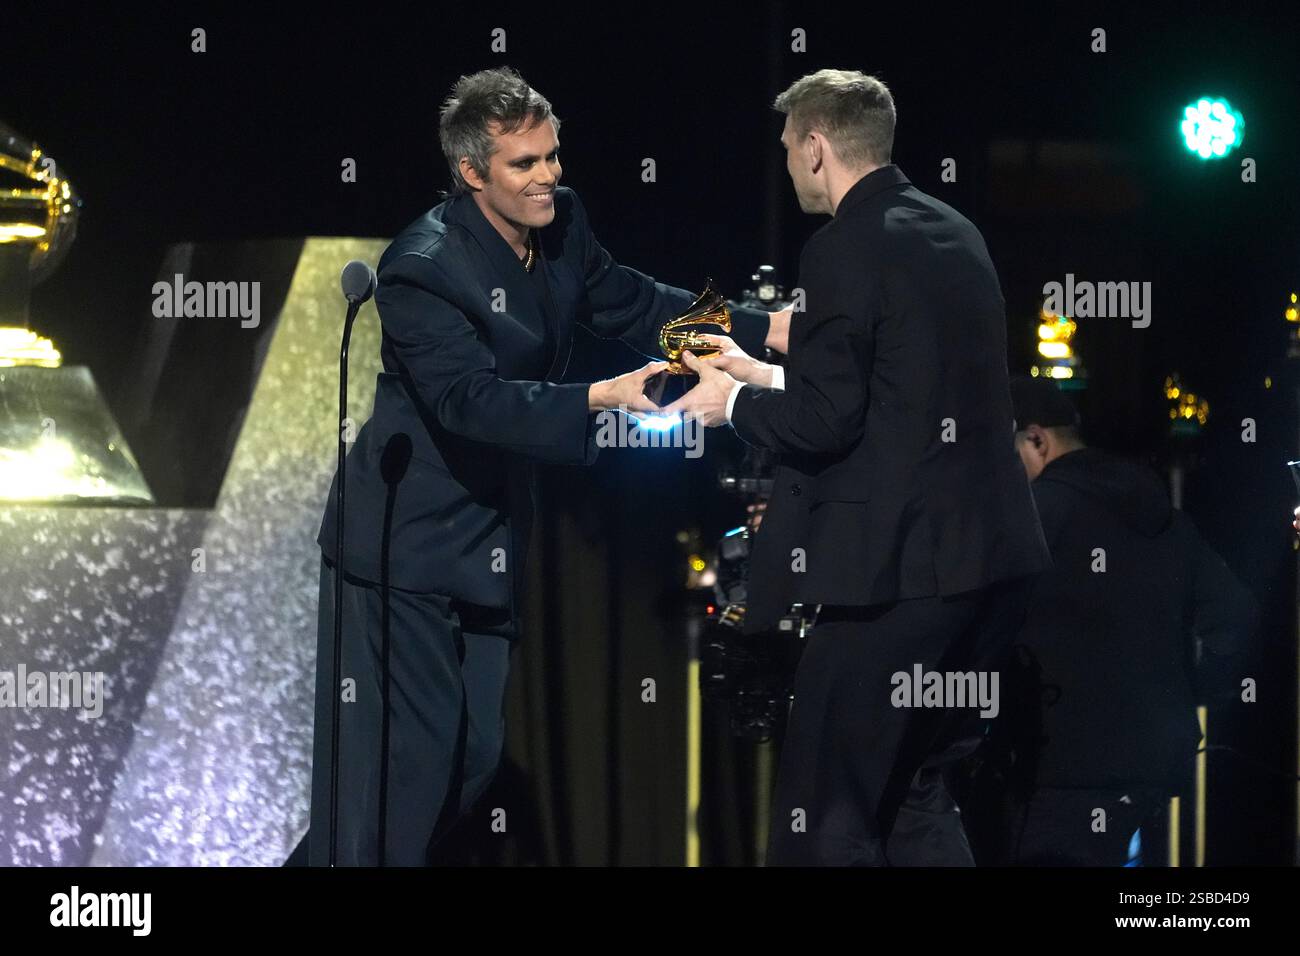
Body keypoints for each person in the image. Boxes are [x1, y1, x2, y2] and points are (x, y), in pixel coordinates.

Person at [305, 66, 787, 865]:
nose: (547, 177)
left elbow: (633, 302)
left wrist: (765, 329)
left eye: (552, 156)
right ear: (470, 173)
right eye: (523, 164)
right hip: (401, 548)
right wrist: (599, 395)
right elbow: (471, 403)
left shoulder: (561, 227)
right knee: (409, 771)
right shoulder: (420, 267)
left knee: (475, 760)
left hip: (491, 542)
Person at [668, 69, 1049, 865]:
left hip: (900, 583)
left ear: (814, 147)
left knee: (824, 813)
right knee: (914, 796)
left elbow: (825, 420)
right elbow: (890, 400)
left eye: (786, 149)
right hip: (994, 576)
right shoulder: (954, 231)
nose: (786, 164)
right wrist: (754, 370)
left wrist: (726, 407)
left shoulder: (842, 244)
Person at [987, 375, 1259, 865]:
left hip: (1057, 768)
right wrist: (1189, 690)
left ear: (1036, 440)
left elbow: (980, 625)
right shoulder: (1165, 517)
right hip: (1153, 765)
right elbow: (1236, 619)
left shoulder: (1034, 517)